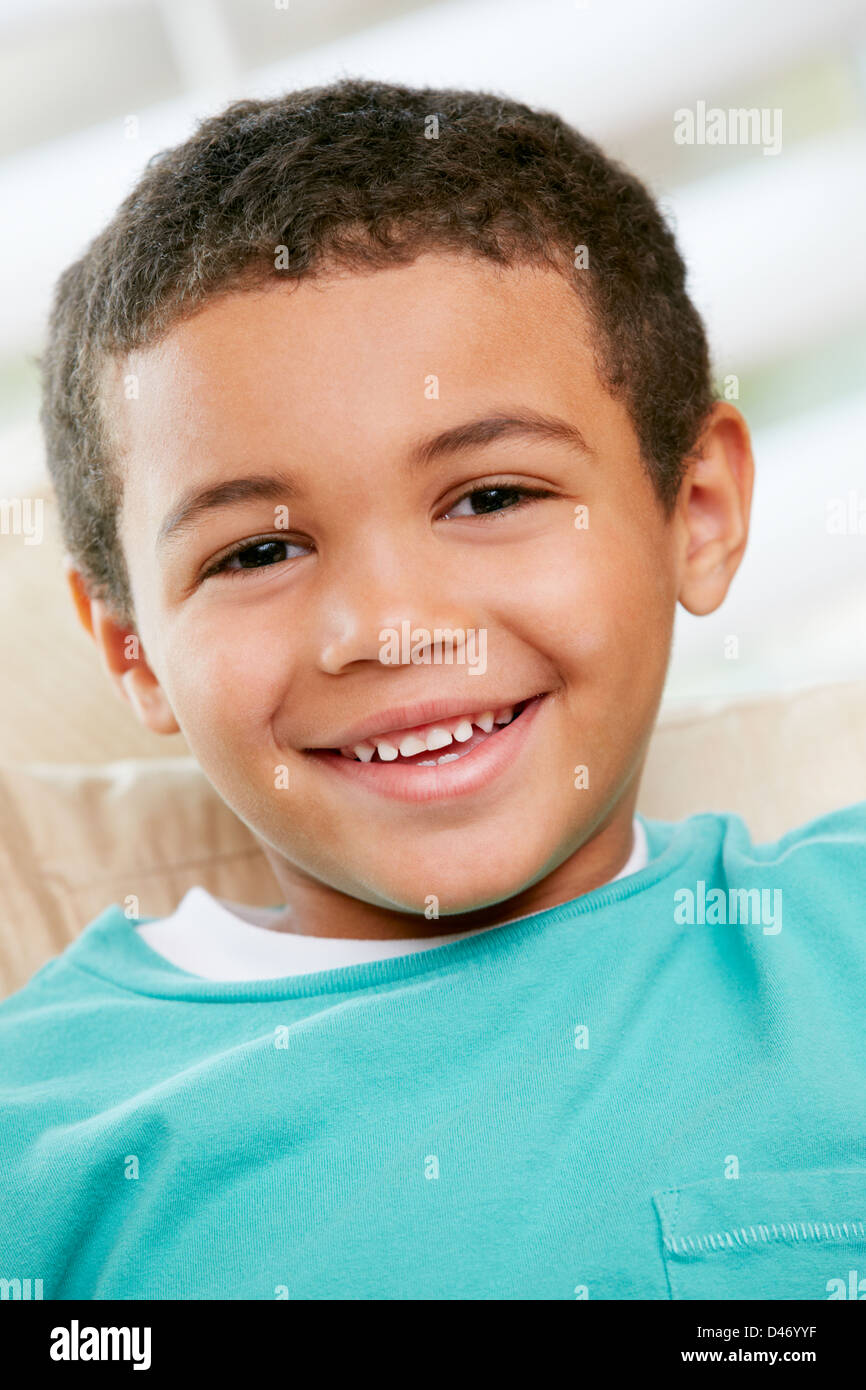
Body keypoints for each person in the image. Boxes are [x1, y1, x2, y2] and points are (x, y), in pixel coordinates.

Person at [1, 78, 863, 1301]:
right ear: (134, 647)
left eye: (492, 497)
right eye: (256, 551)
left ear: (697, 511)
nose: (393, 630)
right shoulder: (36, 1144)